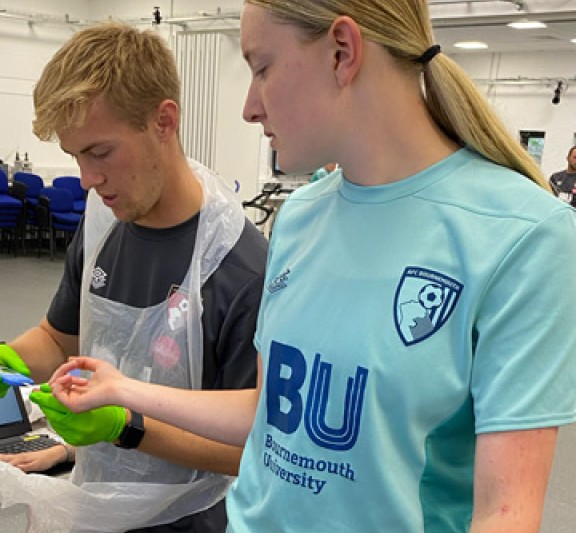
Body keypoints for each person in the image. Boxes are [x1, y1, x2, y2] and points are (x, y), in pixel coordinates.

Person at [46, 2, 576, 533]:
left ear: (342, 53)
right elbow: (268, 409)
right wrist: (123, 390)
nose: (250, 108)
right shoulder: (300, 217)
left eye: (261, 68)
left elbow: (505, 514)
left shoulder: (523, 237)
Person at [0, 21, 267, 533]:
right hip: (98, 499)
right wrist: (14, 356)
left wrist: (126, 428)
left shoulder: (236, 265)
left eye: (100, 152)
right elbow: (60, 338)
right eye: (75, 156)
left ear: (164, 121)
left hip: (192, 518)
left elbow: (250, 450)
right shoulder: (105, 221)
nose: (86, 178)